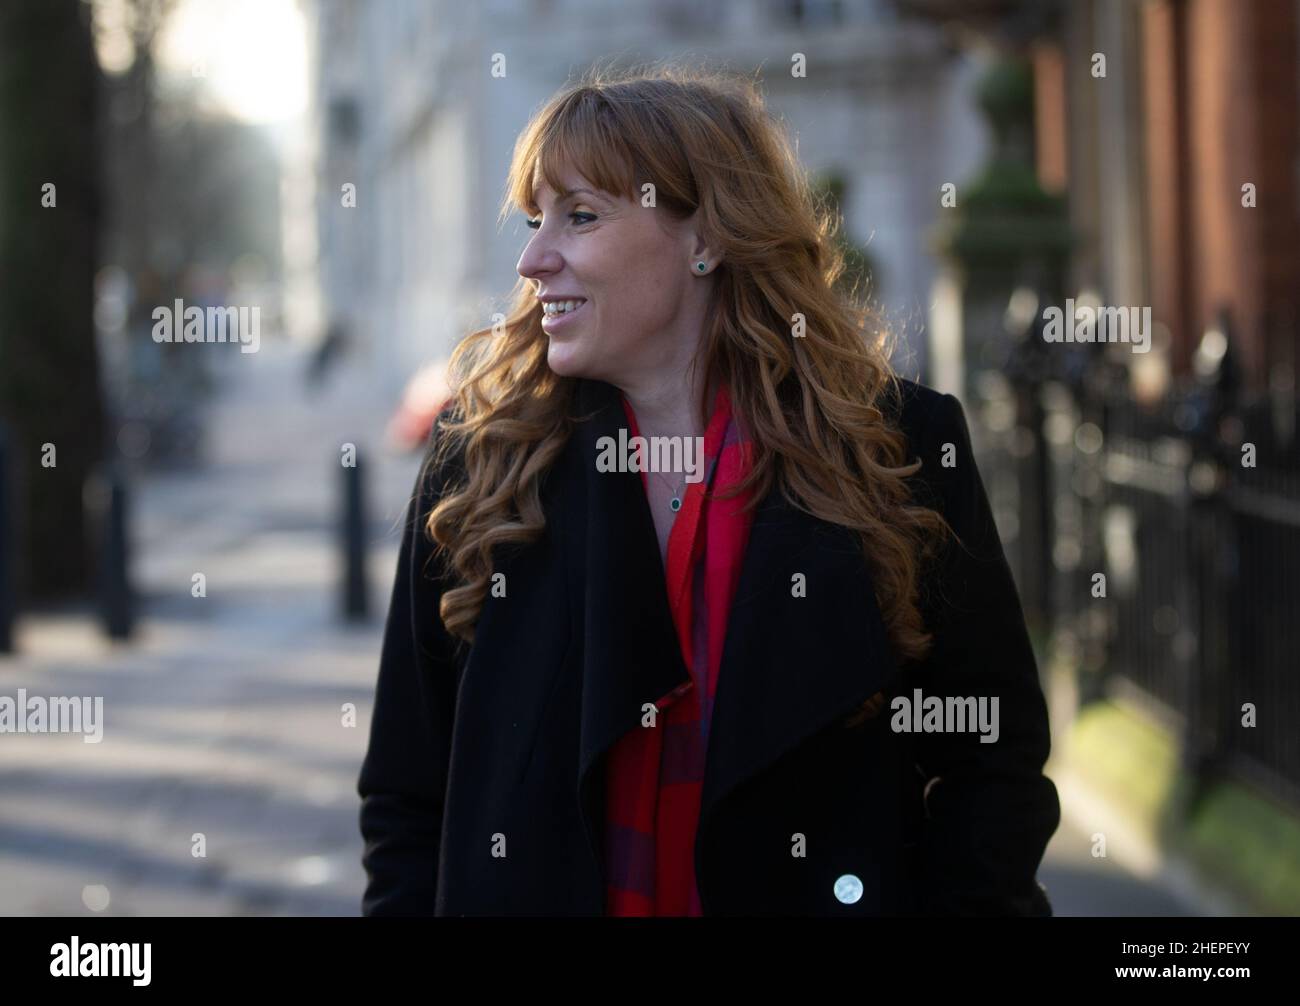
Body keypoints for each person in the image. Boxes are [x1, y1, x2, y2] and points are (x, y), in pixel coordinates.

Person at [357, 63, 1060, 916]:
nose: (534, 258)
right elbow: (407, 794)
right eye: (536, 219)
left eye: (580, 217)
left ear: (706, 239)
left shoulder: (896, 449)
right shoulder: (481, 464)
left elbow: (988, 755)